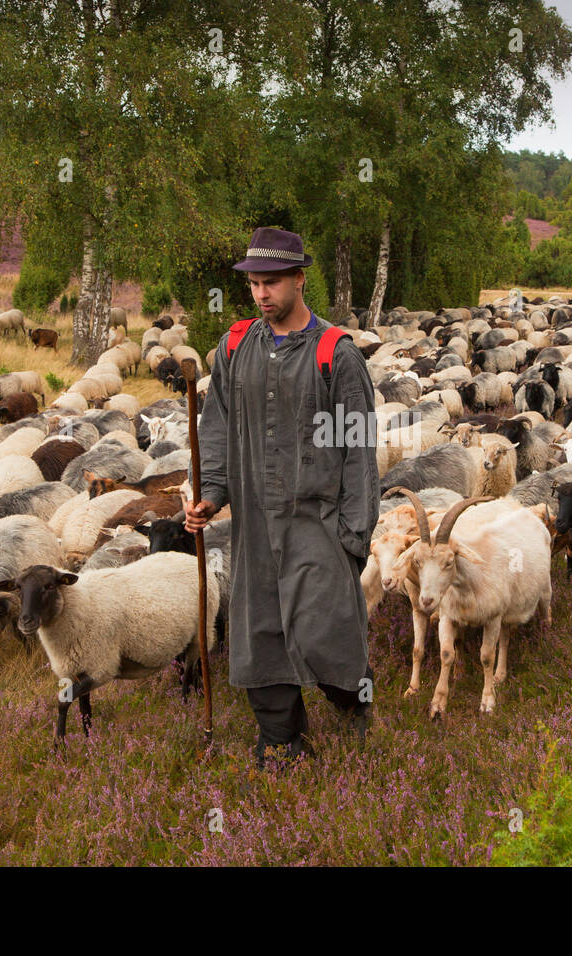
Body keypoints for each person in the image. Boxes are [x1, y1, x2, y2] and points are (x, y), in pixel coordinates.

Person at [186, 226, 380, 766]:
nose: (262, 293)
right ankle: (282, 742)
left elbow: (359, 453)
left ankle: (353, 703)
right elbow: (217, 426)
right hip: (252, 519)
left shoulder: (334, 355)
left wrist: (353, 537)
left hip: (317, 520)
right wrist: (211, 494)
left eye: (272, 282)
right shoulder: (233, 347)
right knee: (260, 629)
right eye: (254, 284)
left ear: (299, 278)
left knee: (326, 628)